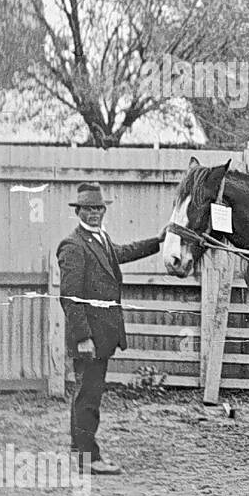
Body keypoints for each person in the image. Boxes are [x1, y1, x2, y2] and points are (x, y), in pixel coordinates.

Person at [57, 182, 164, 475]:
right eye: (89, 209)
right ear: (78, 211)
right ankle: (88, 458)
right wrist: (83, 338)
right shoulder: (73, 245)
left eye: (99, 208)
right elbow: (70, 297)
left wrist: (159, 241)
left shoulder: (100, 239)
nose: (95, 213)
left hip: (101, 336)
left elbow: (123, 252)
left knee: (88, 394)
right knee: (88, 397)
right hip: (90, 338)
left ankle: (81, 452)